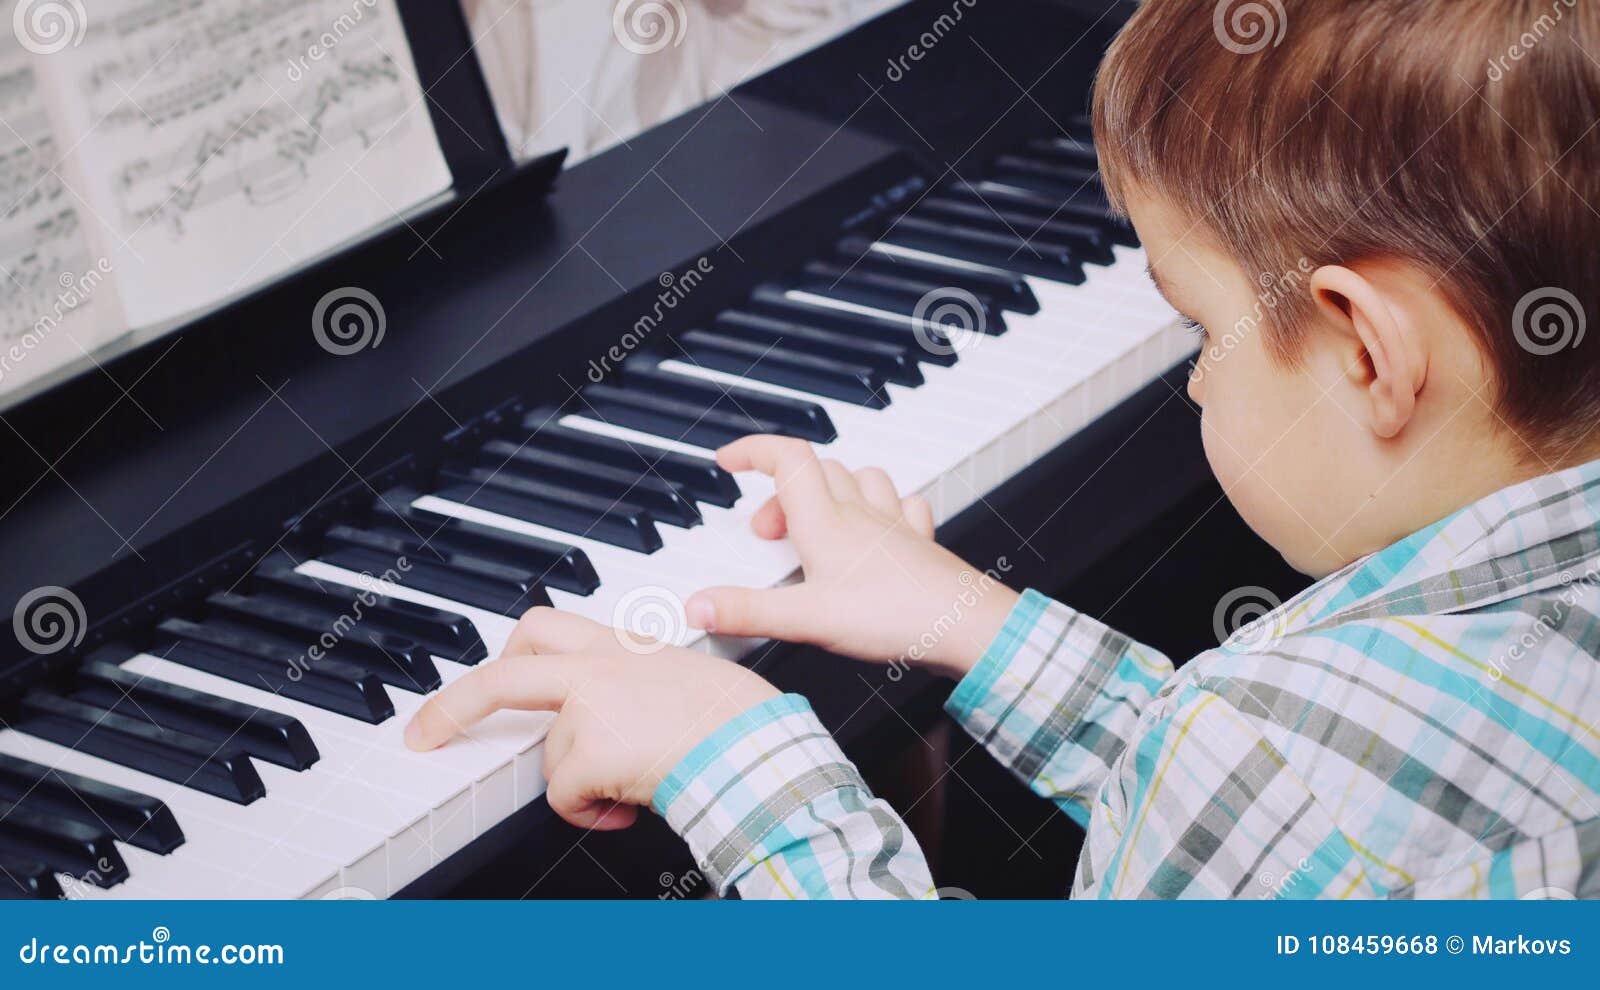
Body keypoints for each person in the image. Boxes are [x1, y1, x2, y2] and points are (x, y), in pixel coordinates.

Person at [405, 0, 1600, 898]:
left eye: (1195, 324)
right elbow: (1289, 825)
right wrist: (976, 624)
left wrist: (735, 761)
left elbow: (1268, 793)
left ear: (1366, 355)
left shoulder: (1270, 761)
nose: (1190, 376)